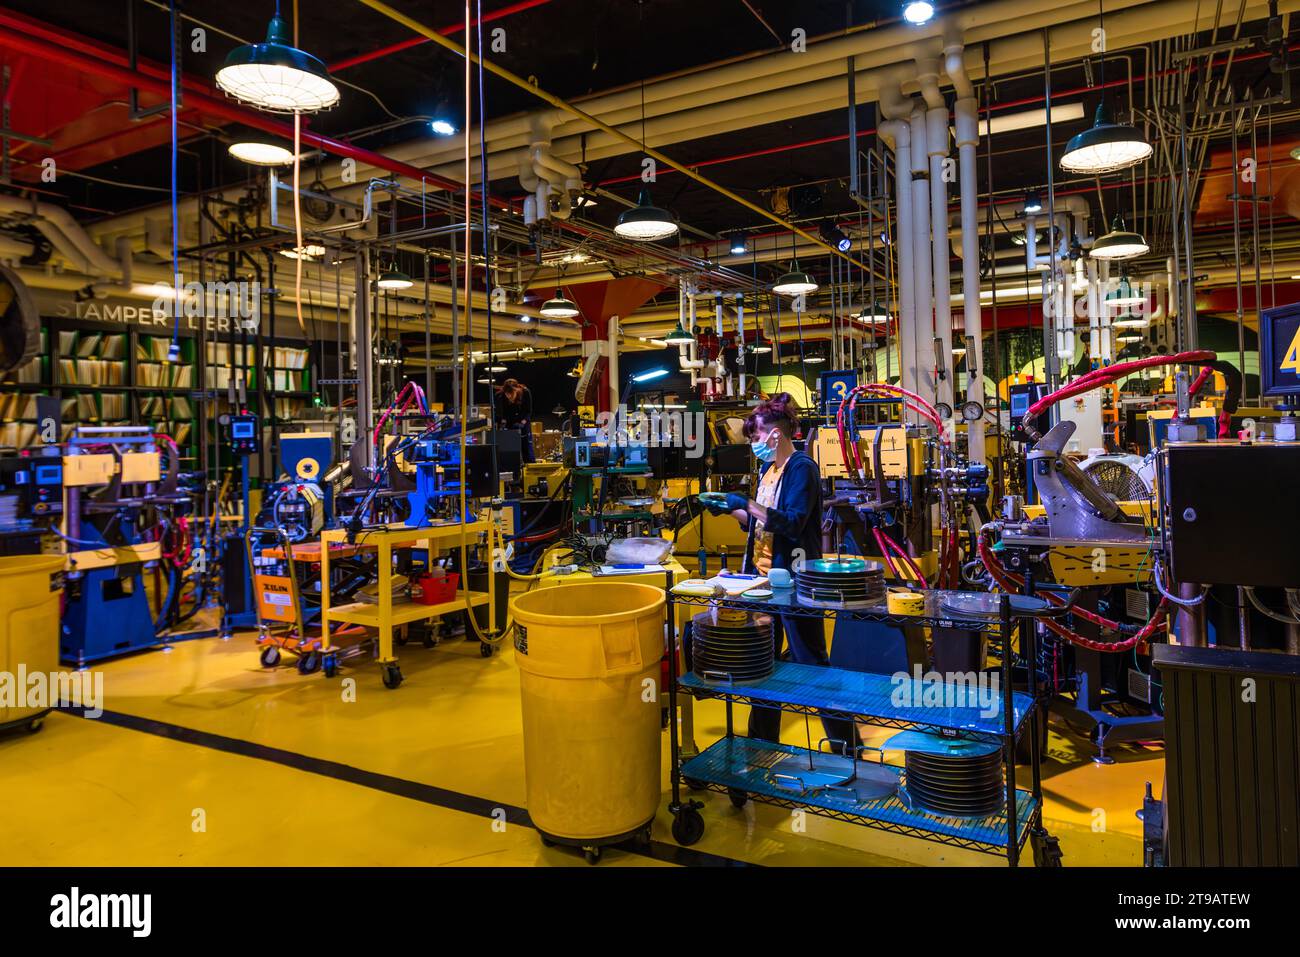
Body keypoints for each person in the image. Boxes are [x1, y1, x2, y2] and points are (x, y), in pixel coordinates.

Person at [702, 393, 858, 754]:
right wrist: (730, 510)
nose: (753, 445)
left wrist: (747, 504)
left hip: (795, 583)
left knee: (812, 663)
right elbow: (757, 527)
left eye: (755, 437)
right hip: (762, 584)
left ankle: (848, 750)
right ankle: (761, 744)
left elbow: (791, 523)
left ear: (774, 435)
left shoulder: (801, 468)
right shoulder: (767, 470)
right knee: (763, 663)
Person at [494, 377, 534, 463]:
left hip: (522, 422)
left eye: (512, 394)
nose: (510, 397)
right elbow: (498, 414)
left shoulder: (525, 392)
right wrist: (501, 421)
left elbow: (528, 411)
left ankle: (528, 464)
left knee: (526, 446)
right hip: (507, 423)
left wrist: (523, 421)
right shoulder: (499, 396)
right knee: (509, 448)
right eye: (507, 394)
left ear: (517, 390)